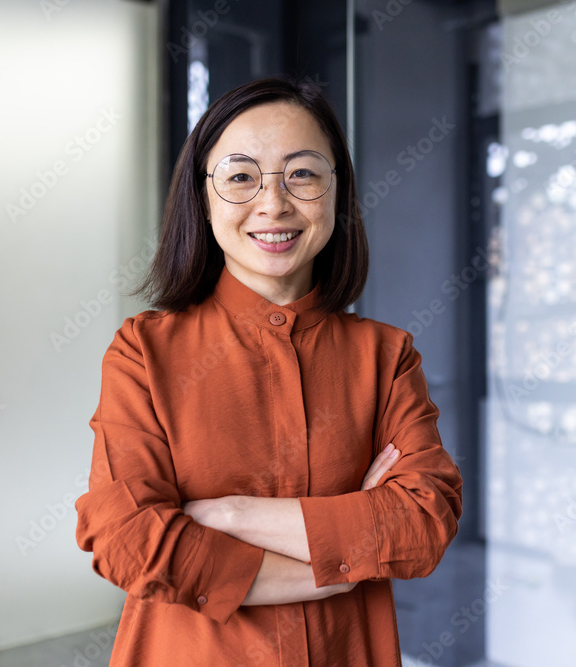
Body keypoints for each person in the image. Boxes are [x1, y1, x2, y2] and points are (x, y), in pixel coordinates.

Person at [74, 76, 463, 666]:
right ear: (203, 197)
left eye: (302, 173)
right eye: (239, 176)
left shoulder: (386, 358)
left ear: (338, 192)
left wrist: (229, 515)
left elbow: (424, 522)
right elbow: (127, 539)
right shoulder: (143, 353)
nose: (274, 203)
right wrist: (338, 563)